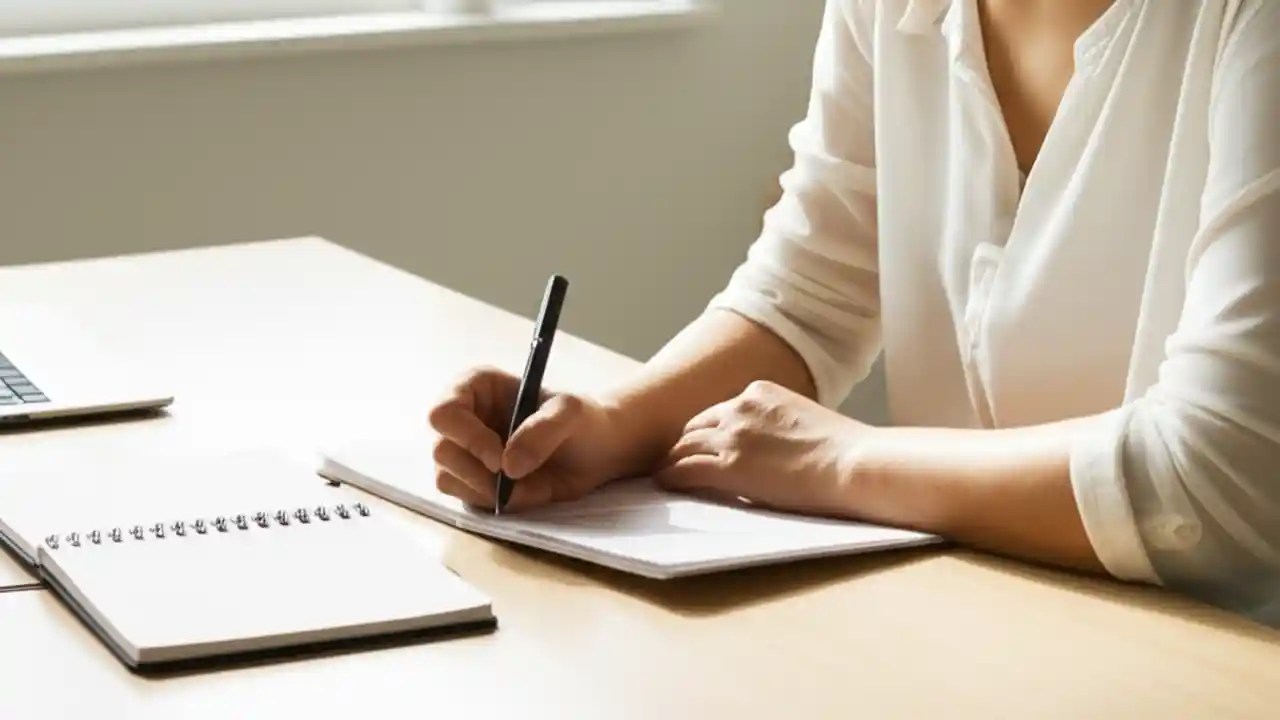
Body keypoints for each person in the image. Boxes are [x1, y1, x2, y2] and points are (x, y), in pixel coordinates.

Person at [429, 0, 1279, 624]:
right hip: (997, 618)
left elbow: (1221, 475)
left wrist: (846, 464)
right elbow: (808, 293)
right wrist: (620, 422)